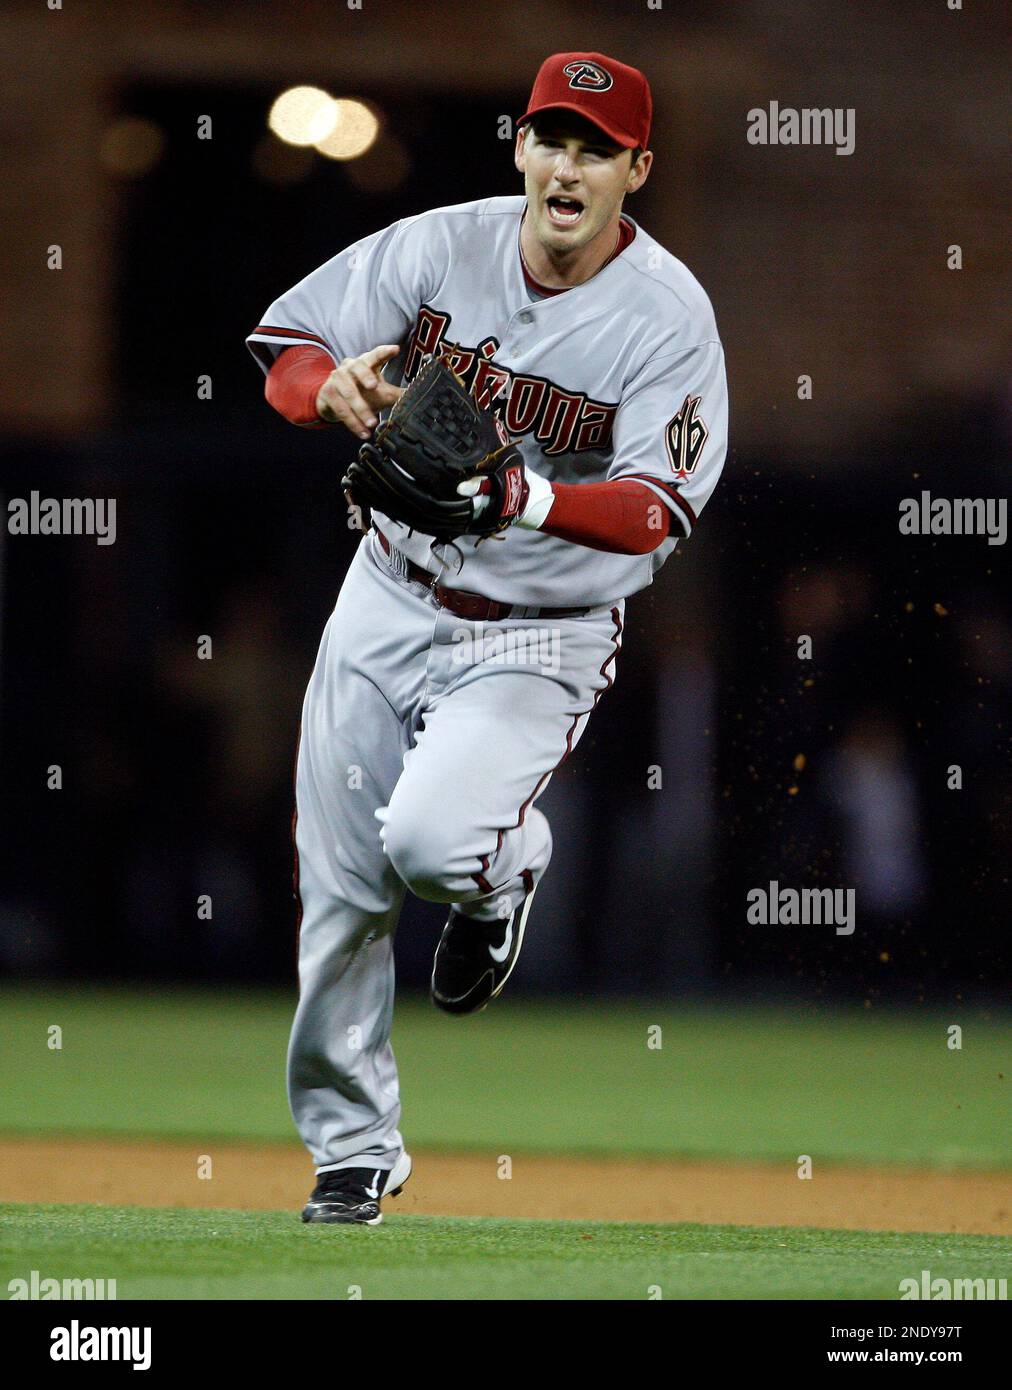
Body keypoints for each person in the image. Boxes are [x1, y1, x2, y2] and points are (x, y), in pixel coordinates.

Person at [246, 51, 728, 1224]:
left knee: (427, 841)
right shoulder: (433, 246)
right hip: (391, 589)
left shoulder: (667, 317)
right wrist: (331, 391)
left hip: (541, 628)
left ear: (635, 171)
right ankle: (352, 1154)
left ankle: (503, 876)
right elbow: (281, 346)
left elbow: (657, 509)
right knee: (342, 888)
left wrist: (530, 498)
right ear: (520, 144)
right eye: (552, 139)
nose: (568, 165)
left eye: (596, 149)